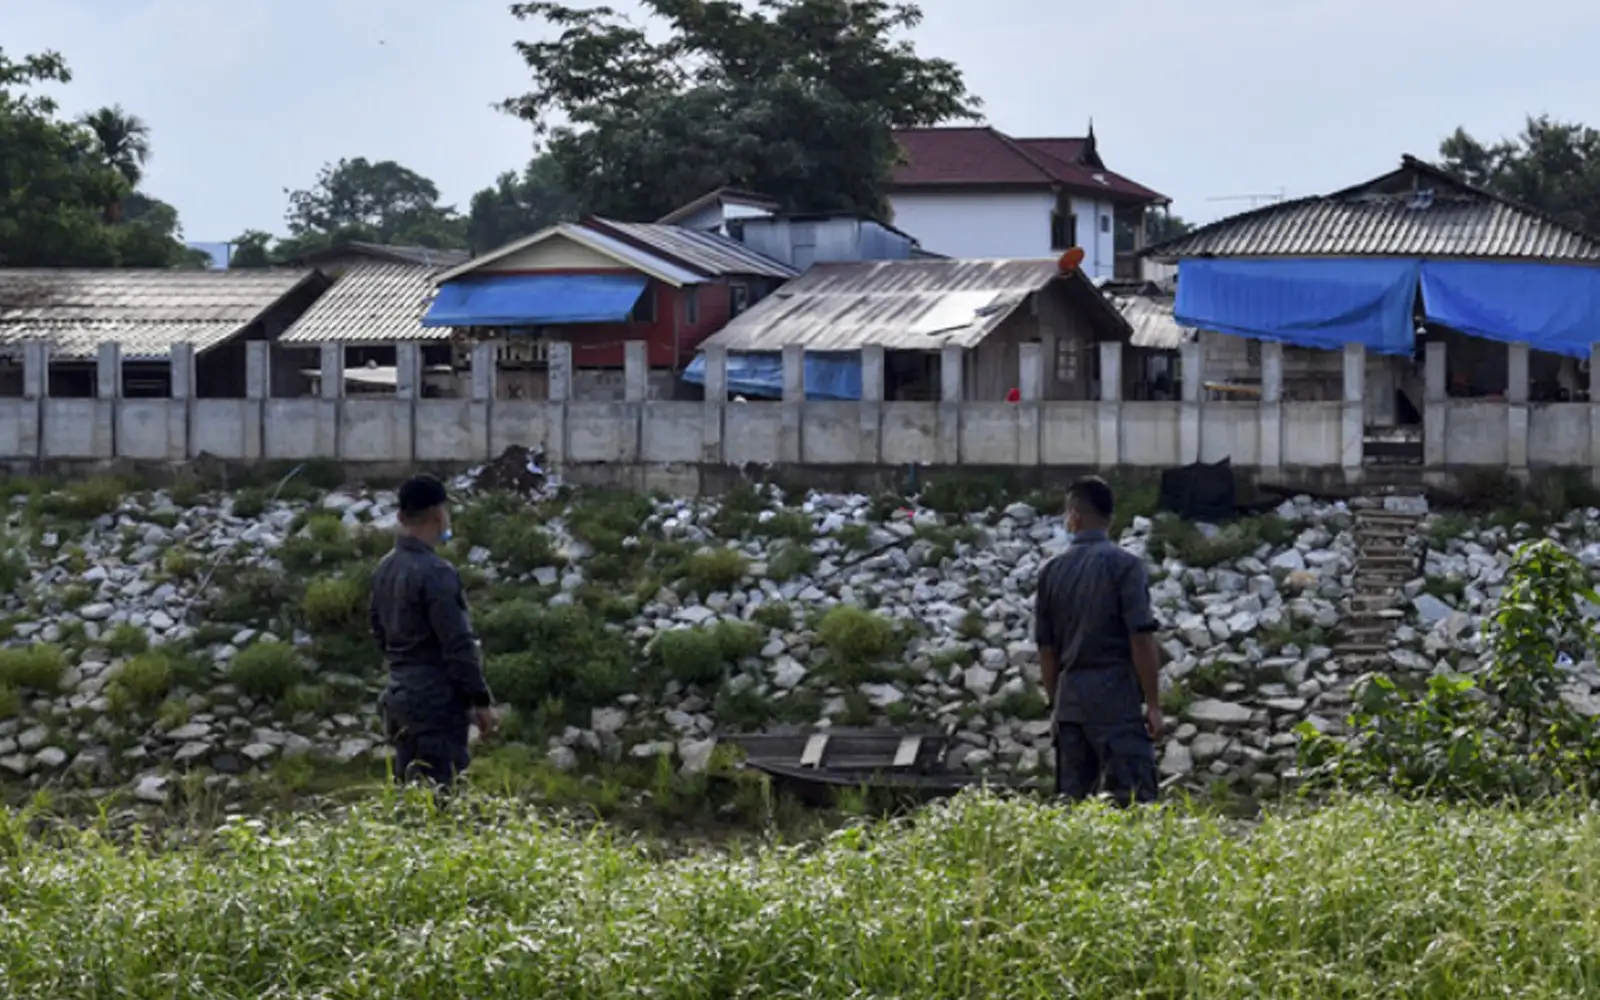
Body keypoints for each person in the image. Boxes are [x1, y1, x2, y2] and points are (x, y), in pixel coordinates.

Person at [1034, 476, 1163, 804]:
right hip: (1117, 703)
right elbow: (1141, 639)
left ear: (1074, 516)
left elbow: (1046, 651)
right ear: (1110, 519)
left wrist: (1055, 706)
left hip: (1071, 705)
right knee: (1135, 804)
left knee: (1072, 806)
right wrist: (1153, 704)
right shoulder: (1126, 566)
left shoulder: (1051, 572)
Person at [370, 474, 497, 787]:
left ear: (401, 516)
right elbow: (458, 644)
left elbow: (379, 632)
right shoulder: (437, 573)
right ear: (439, 516)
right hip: (436, 703)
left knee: (408, 791)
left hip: (398, 695)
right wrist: (480, 700)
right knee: (440, 793)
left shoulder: (385, 568)